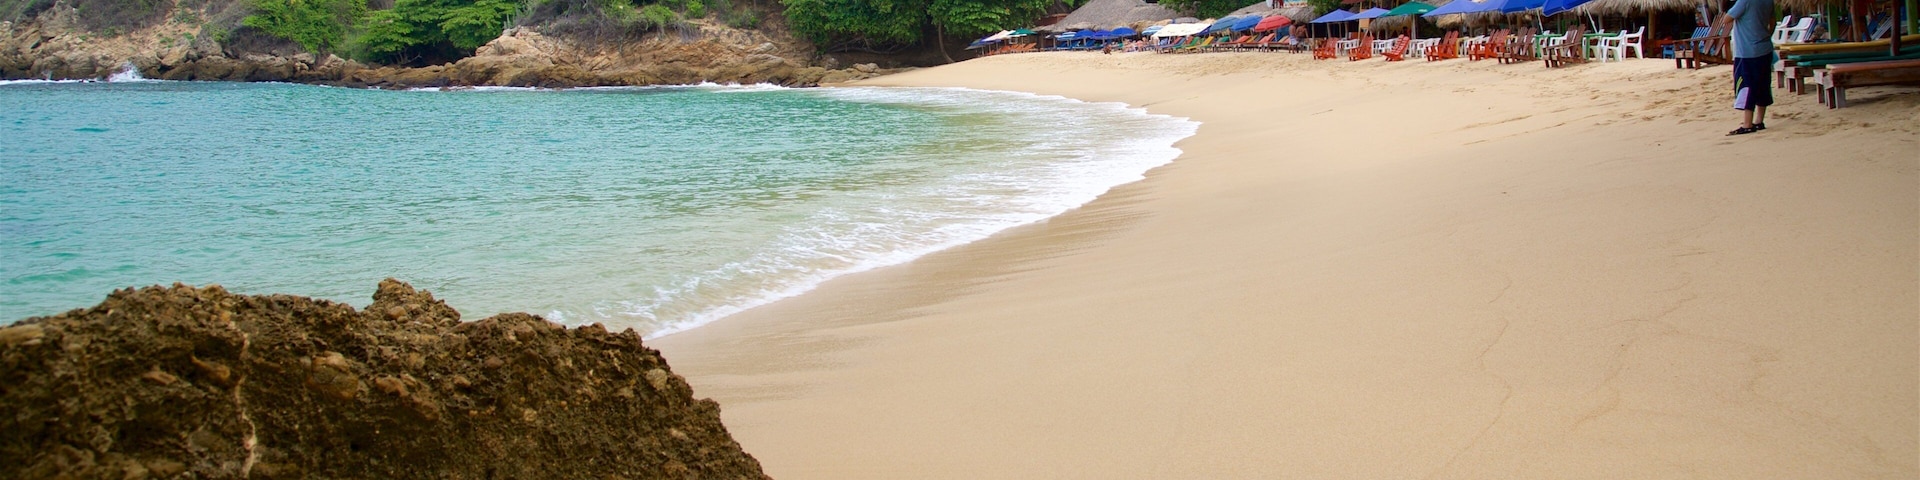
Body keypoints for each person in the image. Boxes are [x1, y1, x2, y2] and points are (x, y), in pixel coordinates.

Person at [1719, 0, 1775, 135]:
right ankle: (1759, 120)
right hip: (1765, 48)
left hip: (1747, 51)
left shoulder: (1744, 1)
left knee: (1746, 85)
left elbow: (1726, 19)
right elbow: (1773, 21)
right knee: (1763, 84)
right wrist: (1766, 35)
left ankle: (1747, 123)